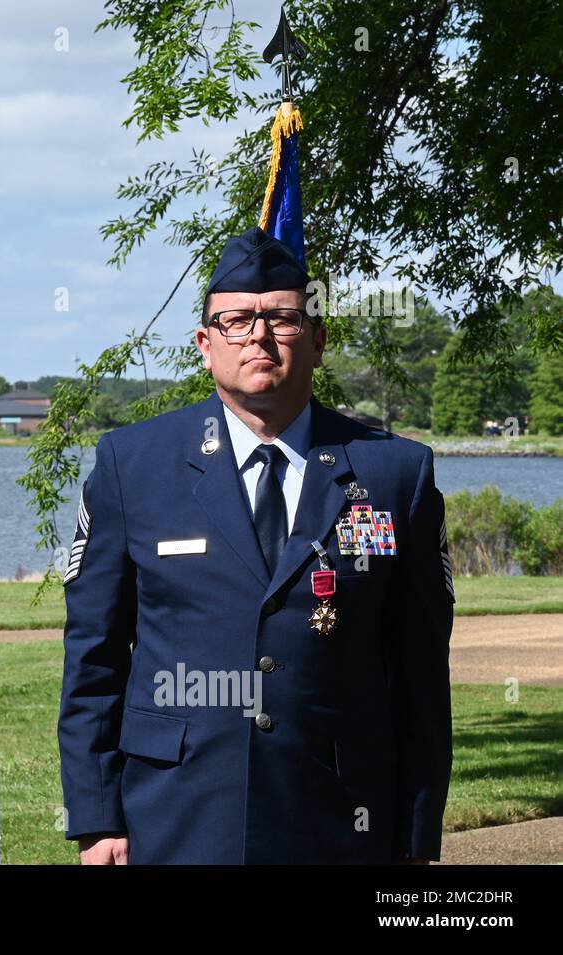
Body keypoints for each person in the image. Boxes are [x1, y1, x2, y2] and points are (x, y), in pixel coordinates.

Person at [58, 227, 454, 864]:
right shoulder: (133, 466)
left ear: (320, 340)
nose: (259, 337)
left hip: (340, 817)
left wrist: (414, 830)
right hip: (177, 811)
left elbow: (420, 673)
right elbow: (94, 658)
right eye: (237, 320)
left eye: (283, 319)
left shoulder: (393, 473)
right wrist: (97, 815)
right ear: (205, 345)